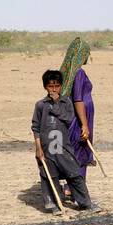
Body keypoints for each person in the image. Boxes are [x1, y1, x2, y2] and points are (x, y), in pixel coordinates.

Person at [32, 69, 95, 213]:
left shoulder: (66, 102)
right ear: (45, 87)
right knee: (49, 175)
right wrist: (38, 148)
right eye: (50, 86)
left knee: (73, 173)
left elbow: (68, 118)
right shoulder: (40, 105)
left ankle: (85, 203)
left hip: (63, 145)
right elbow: (35, 126)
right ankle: (54, 204)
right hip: (47, 146)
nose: (54, 89)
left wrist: (56, 105)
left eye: (56, 86)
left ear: (61, 86)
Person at [59, 36, 95, 170]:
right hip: (80, 117)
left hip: (78, 115)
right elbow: (78, 99)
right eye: (87, 53)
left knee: (76, 148)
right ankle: (74, 186)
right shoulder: (79, 73)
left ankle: (74, 185)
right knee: (80, 148)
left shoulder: (69, 72)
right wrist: (84, 124)